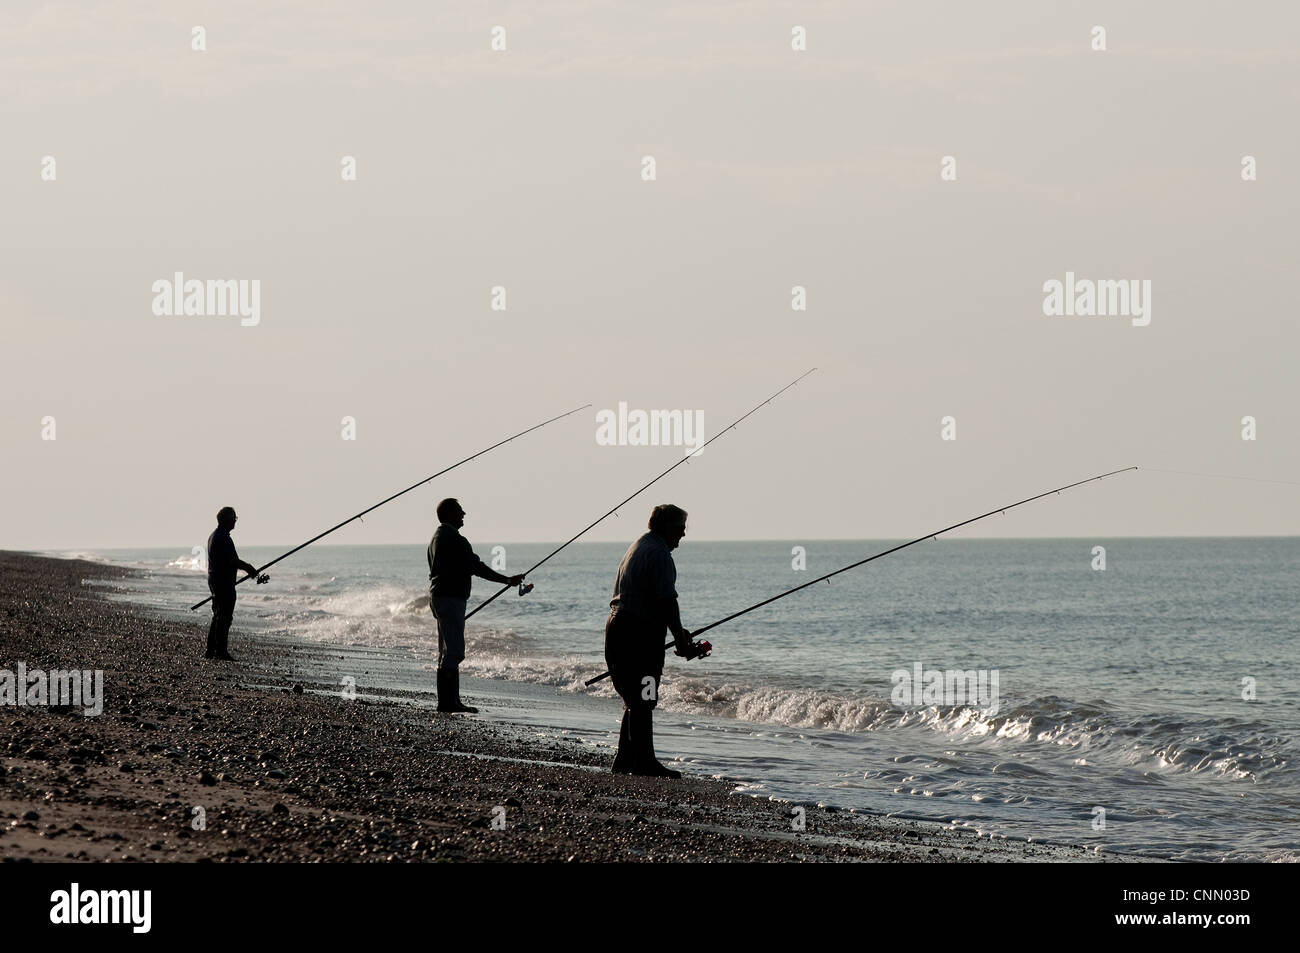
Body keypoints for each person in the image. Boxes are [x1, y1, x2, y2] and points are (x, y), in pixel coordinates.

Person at [605, 503, 701, 777]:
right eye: (681, 529)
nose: (682, 535)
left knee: (635, 698)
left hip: (619, 626)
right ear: (667, 527)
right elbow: (667, 601)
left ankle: (625, 760)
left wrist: (678, 634)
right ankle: (645, 762)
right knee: (645, 694)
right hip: (638, 632)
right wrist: (680, 639)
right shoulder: (659, 554)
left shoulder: (639, 546)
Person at [428, 498, 524, 713]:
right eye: (460, 511)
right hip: (450, 599)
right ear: (451, 514)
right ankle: (448, 703)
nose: (464, 514)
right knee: (454, 651)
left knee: (445, 650)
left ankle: (449, 701)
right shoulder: (455, 539)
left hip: (439, 597)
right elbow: (476, 567)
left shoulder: (436, 538)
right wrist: (507, 580)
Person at [204, 506, 267, 661]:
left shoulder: (215, 535)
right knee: (224, 617)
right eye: (234, 519)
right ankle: (220, 652)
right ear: (228, 520)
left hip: (215, 580)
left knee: (218, 615)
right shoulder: (223, 537)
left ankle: (211, 650)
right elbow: (232, 561)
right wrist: (249, 568)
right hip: (223, 583)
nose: (235, 522)